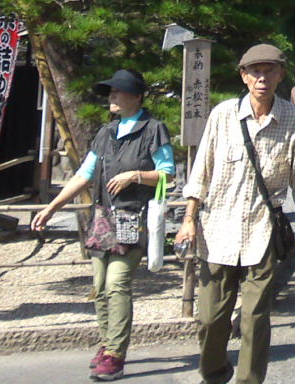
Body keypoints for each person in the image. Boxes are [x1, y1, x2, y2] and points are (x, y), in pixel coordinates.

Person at [177, 44, 295, 384]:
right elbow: (201, 170)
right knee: (210, 318)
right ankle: (215, 373)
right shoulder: (223, 115)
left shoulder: (294, 118)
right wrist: (189, 218)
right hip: (218, 229)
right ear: (244, 76)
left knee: (254, 317)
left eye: (269, 71)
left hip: (262, 230)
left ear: (281, 75)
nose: (262, 78)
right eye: (255, 71)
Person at [32, 68, 174, 382]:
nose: (112, 96)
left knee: (117, 284)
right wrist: (51, 208)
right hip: (103, 219)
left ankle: (115, 355)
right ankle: (107, 343)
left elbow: (167, 173)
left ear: (137, 96)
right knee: (99, 287)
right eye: (110, 91)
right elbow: (84, 174)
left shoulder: (154, 130)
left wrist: (135, 176)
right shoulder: (106, 132)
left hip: (133, 218)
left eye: (118, 91)